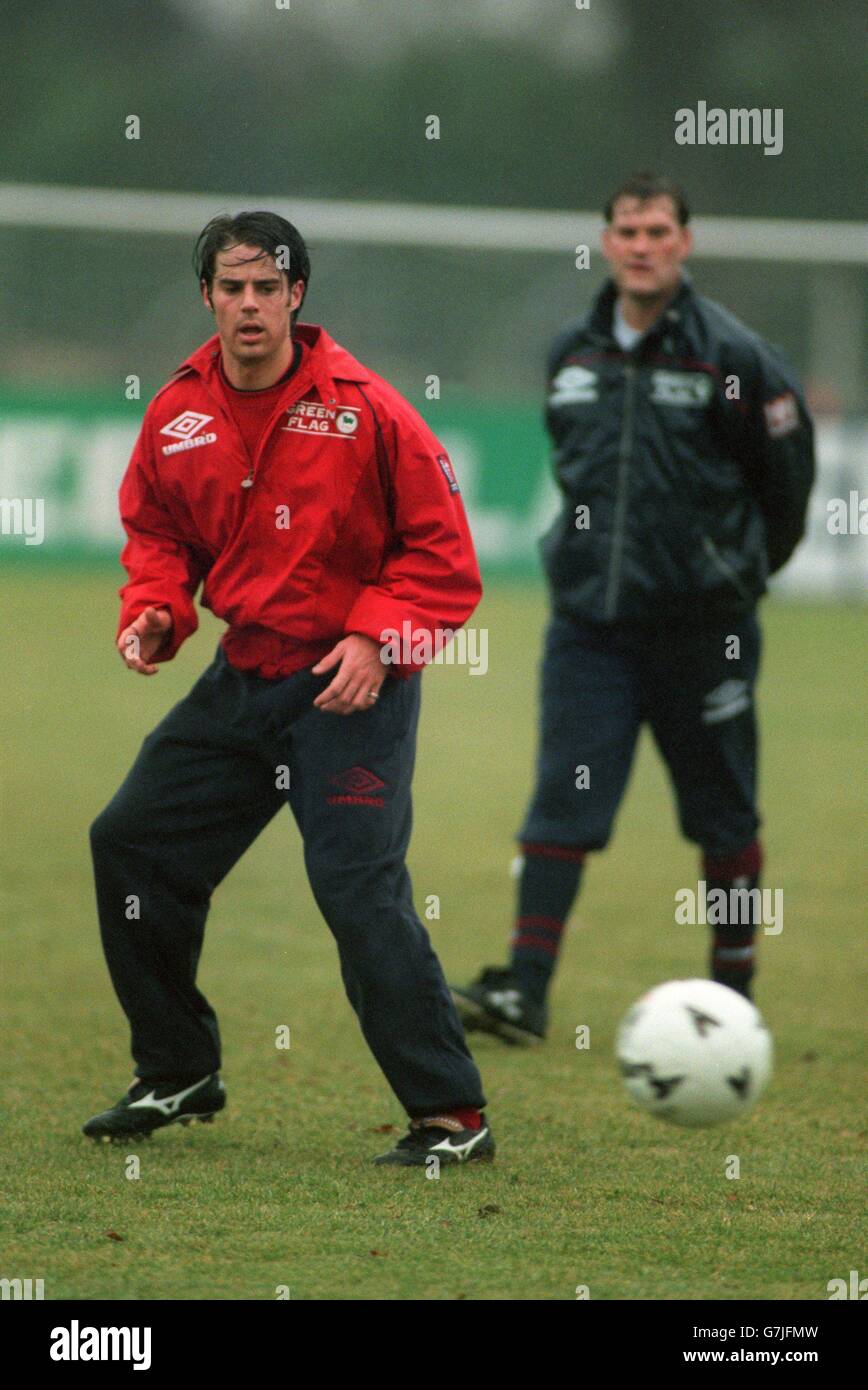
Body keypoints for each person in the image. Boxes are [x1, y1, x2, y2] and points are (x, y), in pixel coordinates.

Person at [85, 211, 494, 1166]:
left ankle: (452, 1117)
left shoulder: (370, 410)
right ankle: (178, 1069)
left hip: (353, 688)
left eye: (268, 287)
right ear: (209, 298)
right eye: (233, 288)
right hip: (244, 678)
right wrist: (155, 609)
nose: (250, 305)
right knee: (131, 842)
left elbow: (444, 558)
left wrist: (378, 640)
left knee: (356, 888)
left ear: (297, 295)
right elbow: (158, 534)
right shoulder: (177, 411)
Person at [452, 173, 815, 1045]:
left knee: (723, 814)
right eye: (627, 230)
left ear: (685, 241)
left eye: (658, 229)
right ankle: (524, 993)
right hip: (589, 628)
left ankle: (735, 994)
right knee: (562, 803)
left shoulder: (732, 356)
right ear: (606, 242)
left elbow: (787, 490)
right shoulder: (571, 354)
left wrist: (734, 582)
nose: (642, 244)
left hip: (705, 635)